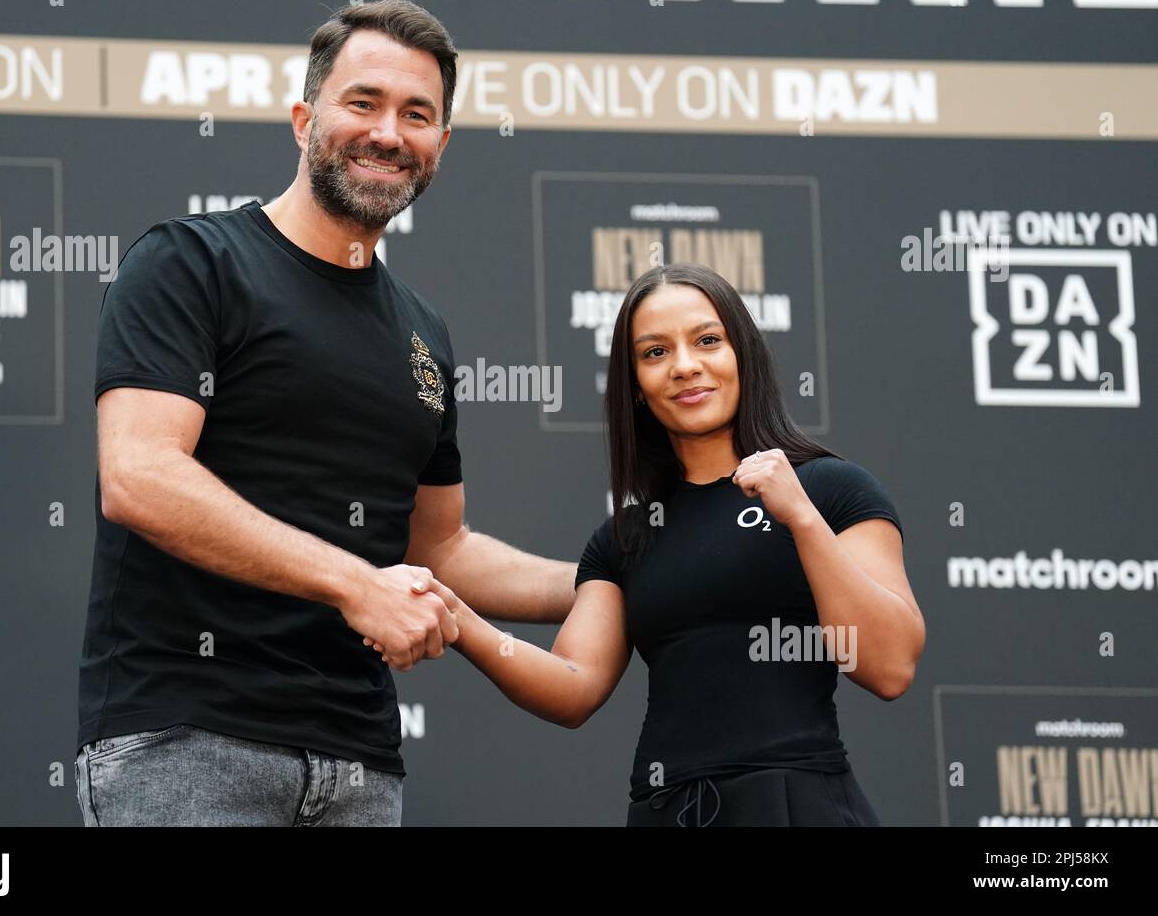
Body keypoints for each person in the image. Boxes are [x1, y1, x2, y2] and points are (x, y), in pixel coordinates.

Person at [76, 0, 576, 827]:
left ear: (440, 147)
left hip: (361, 769)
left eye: (417, 114)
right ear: (305, 117)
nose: (389, 132)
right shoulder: (190, 263)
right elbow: (138, 475)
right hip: (188, 750)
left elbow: (438, 546)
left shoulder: (423, 333)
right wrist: (354, 584)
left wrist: (609, 575)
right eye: (363, 102)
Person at [373, 263, 926, 826]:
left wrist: (802, 519)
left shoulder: (832, 490)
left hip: (797, 804)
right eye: (655, 353)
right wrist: (457, 617)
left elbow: (888, 666)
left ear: (745, 356)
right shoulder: (626, 538)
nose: (685, 367)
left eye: (708, 341)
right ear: (635, 385)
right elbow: (573, 688)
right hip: (668, 810)